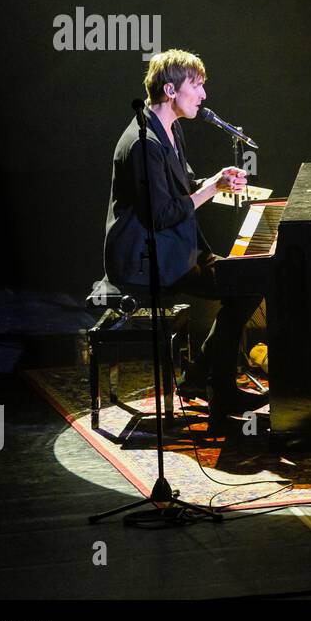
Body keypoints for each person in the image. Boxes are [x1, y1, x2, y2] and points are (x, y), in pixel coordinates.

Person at [103, 49, 268, 425]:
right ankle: (213, 386)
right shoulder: (144, 143)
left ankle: (201, 379)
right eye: (197, 85)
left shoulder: (170, 128)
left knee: (249, 282)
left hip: (173, 246)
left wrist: (216, 182)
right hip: (148, 259)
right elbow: (160, 214)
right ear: (170, 90)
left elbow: (179, 190)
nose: (204, 95)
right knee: (245, 285)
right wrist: (209, 189)